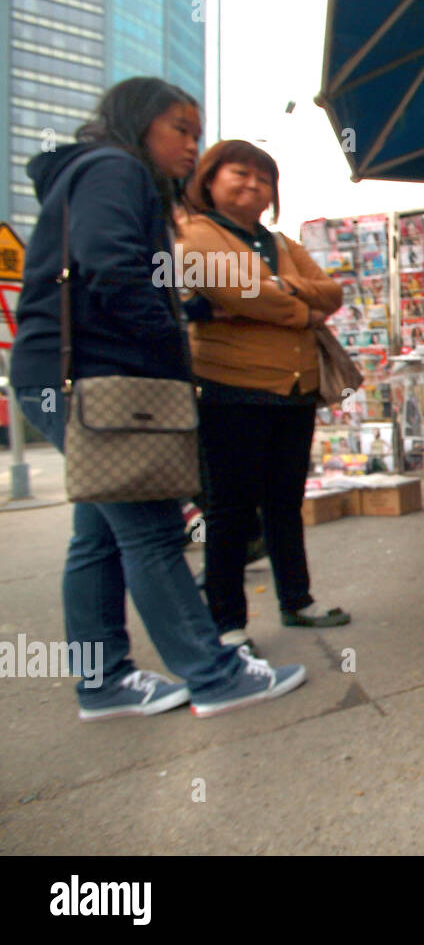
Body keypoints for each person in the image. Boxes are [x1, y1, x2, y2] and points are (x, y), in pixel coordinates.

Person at [8, 77, 306, 719]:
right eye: (180, 129)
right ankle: (214, 673)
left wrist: (182, 312)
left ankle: (104, 683)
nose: (189, 146)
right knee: (148, 531)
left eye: (197, 134)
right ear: (138, 123)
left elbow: (117, 269)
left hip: (61, 371)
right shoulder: (116, 168)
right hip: (99, 377)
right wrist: (166, 344)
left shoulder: (90, 172)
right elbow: (111, 266)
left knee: (100, 536)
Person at [176, 140, 350, 654]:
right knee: (230, 510)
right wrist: (297, 305)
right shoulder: (196, 234)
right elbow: (238, 291)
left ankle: (297, 600)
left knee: (284, 503)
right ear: (210, 179)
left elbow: (333, 292)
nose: (253, 184)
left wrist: (272, 289)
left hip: (294, 389)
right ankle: (226, 622)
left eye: (264, 177)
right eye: (240, 172)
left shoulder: (277, 241)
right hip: (230, 390)